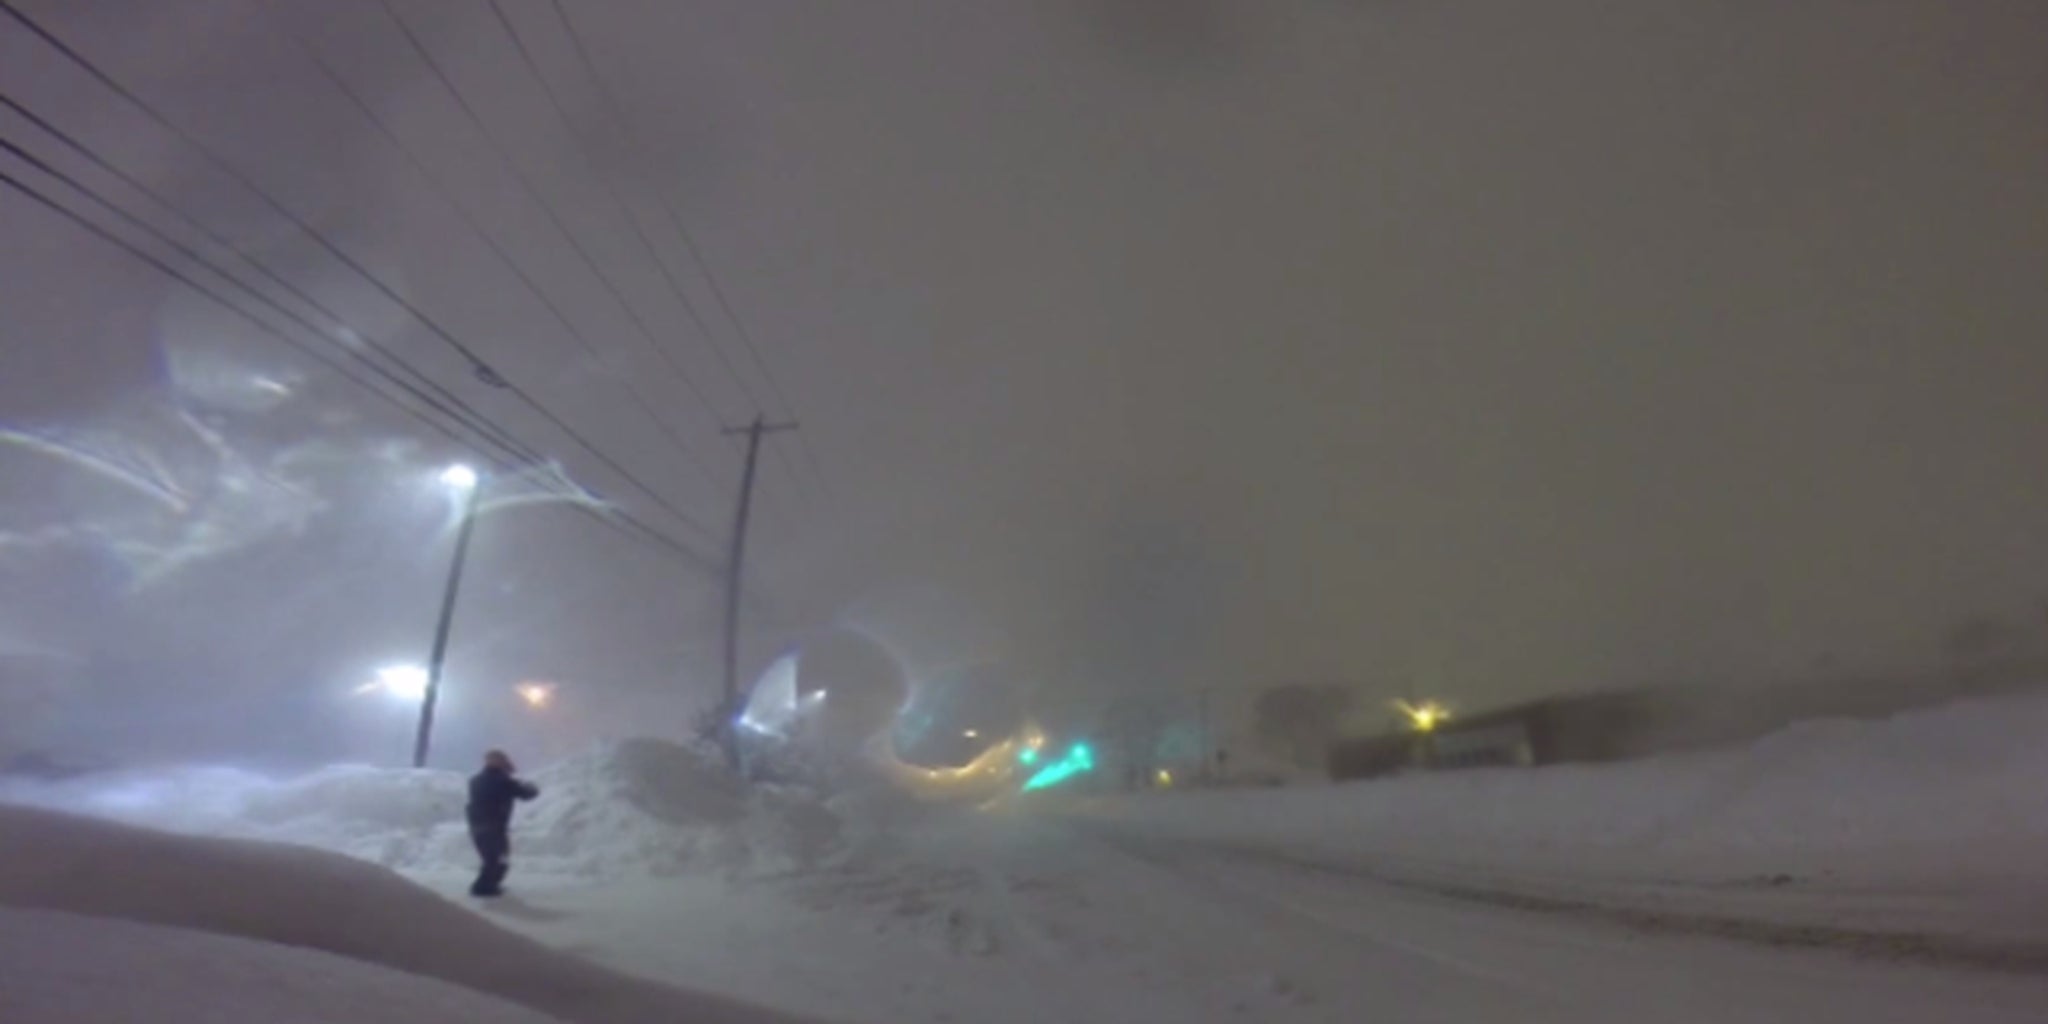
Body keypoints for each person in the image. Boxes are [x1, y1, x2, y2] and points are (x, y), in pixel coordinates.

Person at [466, 749, 539, 897]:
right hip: (492, 827)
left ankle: (488, 886)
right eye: (502, 760)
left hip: (480, 826)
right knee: (497, 859)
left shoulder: (477, 780)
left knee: (496, 859)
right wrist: (530, 786)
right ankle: (482, 888)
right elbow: (527, 793)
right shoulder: (501, 781)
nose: (504, 763)